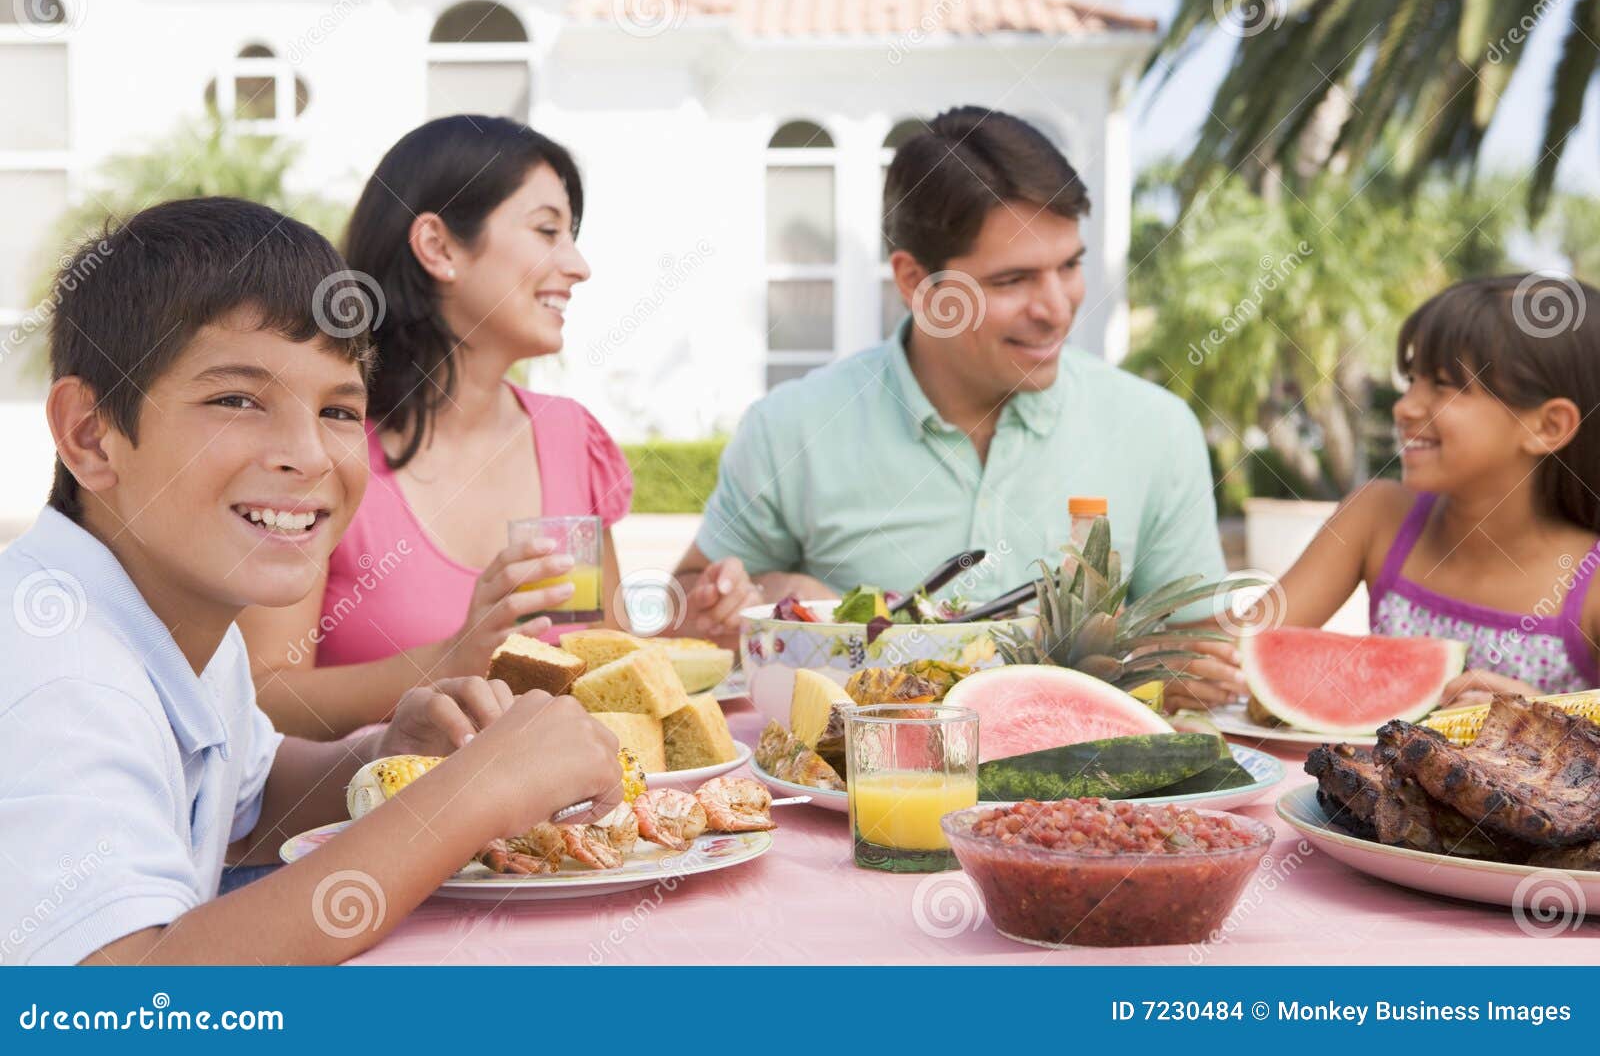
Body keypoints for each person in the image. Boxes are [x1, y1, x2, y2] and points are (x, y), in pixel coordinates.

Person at [0, 198, 622, 965]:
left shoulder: (179, 620)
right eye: (237, 399)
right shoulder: (57, 673)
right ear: (91, 435)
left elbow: (250, 799)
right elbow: (121, 1007)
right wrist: (471, 796)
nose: (309, 453)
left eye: (337, 409)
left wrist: (385, 755)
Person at [674, 106, 1237, 693]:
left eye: (1069, 266)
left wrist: (1156, 666)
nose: (1058, 308)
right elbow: (687, 604)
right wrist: (758, 595)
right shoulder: (790, 427)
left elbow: (1201, 656)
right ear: (917, 282)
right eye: (1011, 280)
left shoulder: (1156, 429)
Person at [239, 116, 756, 740]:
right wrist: (449, 661)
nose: (579, 265)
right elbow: (264, 696)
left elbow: (604, 659)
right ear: (439, 247)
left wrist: (688, 635)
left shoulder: (571, 439)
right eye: (547, 231)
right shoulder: (324, 450)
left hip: (564, 828)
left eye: (572, 235)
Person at [1257, 275, 1600, 708]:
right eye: (1412, 379)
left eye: (1443, 384)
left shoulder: (1591, 586)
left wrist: (1548, 721)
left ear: (1547, 426)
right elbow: (1239, 650)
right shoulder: (1377, 517)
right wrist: (1184, 659)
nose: (1404, 407)